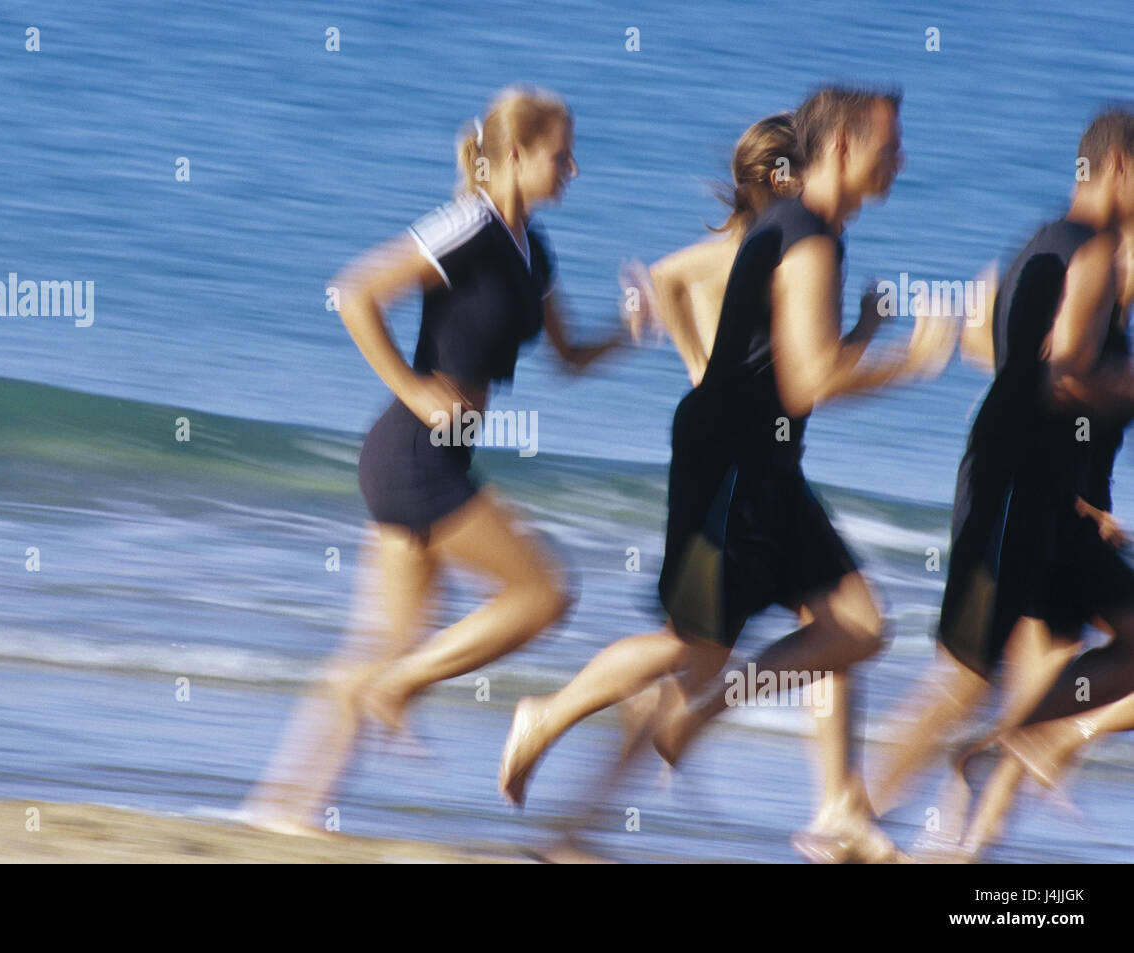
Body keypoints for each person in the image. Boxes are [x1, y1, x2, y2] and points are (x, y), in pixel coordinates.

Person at [499, 86, 955, 863]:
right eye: (891, 146)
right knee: (692, 650)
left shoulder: (805, 231)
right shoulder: (804, 237)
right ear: (844, 147)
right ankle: (550, 724)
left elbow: (786, 361)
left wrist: (862, 333)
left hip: (762, 462)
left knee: (853, 627)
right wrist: (910, 361)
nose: (901, 161)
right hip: (734, 465)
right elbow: (807, 380)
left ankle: (676, 754)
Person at [243, 85, 629, 833]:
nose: (573, 169)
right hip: (412, 453)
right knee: (544, 592)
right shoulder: (468, 224)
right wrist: (416, 390)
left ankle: (282, 811)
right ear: (516, 154)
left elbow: (570, 355)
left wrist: (630, 329)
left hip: (436, 461)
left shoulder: (534, 250)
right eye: (561, 156)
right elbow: (355, 293)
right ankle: (396, 688)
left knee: (381, 643)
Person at [869, 108, 1134, 859]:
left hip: (1049, 495)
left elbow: (1007, 347)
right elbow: (1061, 377)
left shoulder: (1045, 242)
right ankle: (852, 819)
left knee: (1024, 667)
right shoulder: (1091, 251)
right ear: (1119, 166)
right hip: (1018, 486)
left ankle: (994, 767)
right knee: (964, 676)